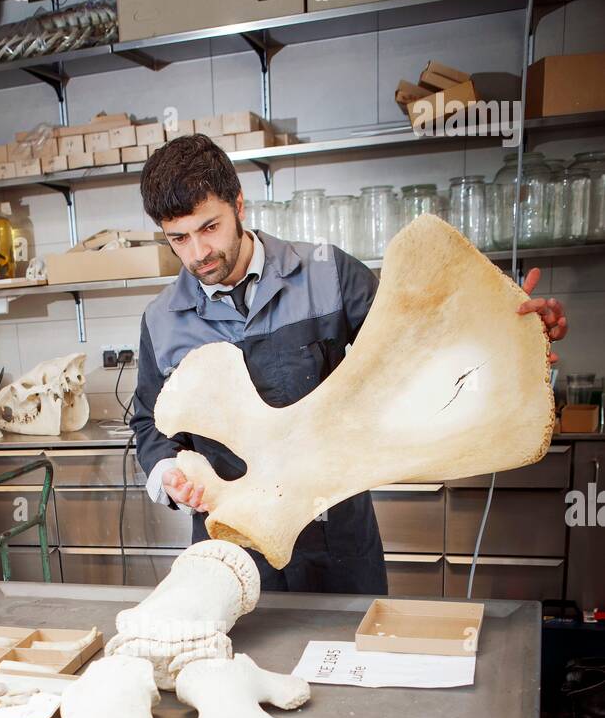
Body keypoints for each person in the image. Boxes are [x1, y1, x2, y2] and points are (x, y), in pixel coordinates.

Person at [130, 134, 567, 594]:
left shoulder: (326, 274)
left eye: (209, 228)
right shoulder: (161, 320)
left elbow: (415, 347)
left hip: (334, 534)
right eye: (178, 238)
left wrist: (514, 337)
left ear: (239, 204)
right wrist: (168, 474)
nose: (198, 253)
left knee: (350, 659)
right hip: (229, 544)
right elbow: (149, 424)